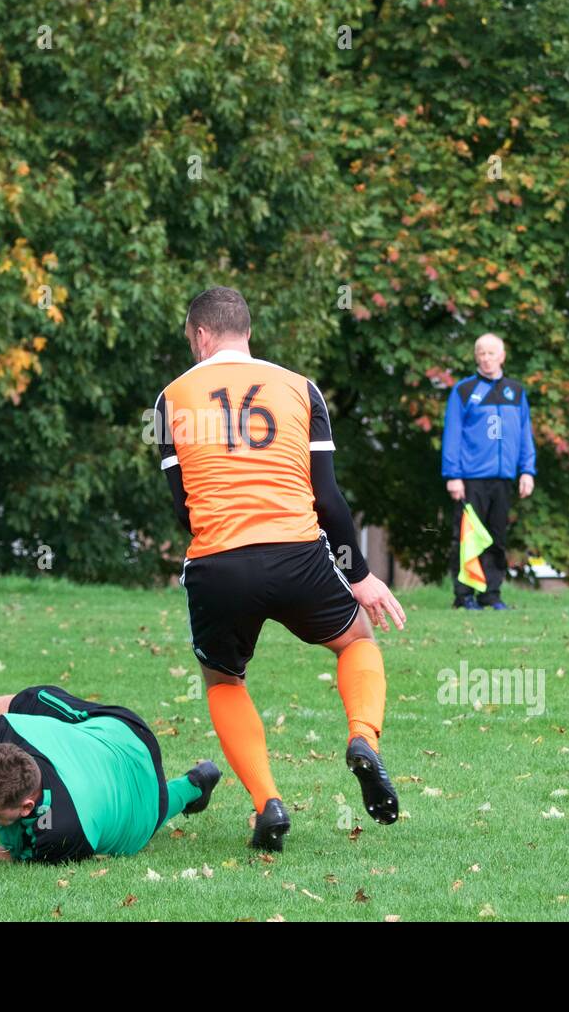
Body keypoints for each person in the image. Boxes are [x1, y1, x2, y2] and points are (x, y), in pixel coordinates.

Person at [153, 286, 406, 853]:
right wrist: (360, 576)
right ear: (247, 331)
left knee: (224, 678)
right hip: (297, 552)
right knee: (356, 640)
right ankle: (363, 738)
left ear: (199, 334)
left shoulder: (171, 398)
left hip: (218, 561)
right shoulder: (300, 388)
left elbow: (181, 506)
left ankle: (267, 803)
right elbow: (330, 499)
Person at [0, 685, 221, 864]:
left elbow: (11, 857)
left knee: (156, 806)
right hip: (115, 734)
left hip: (133, 773)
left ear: (26, 808)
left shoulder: (60, 831)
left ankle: (194, 785)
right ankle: (200, 778)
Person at [440, 333, 537, 610]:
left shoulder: (516, 392)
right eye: (481, 353)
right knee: (467, 538)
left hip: (503, 478)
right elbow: (453, 434)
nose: (486, 358)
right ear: (476, 357)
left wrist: (527, 471)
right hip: (470, 478)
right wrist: (453, 475)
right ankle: (464, 595)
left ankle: (491, 594)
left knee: (497, 537)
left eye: (491, 353)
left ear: (502, 356)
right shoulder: (464, 390)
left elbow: (524, 434)